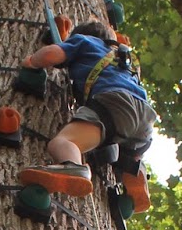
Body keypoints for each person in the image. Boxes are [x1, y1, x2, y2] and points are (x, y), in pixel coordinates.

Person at [17, 19, 155, 208]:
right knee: (130, 152)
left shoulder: (84, 41)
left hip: (114, 105)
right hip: (145, 120)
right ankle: (135, 172)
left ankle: (73, 166)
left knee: (63, 142)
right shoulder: (125, 65)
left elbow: (51, 54)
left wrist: (32, 61)